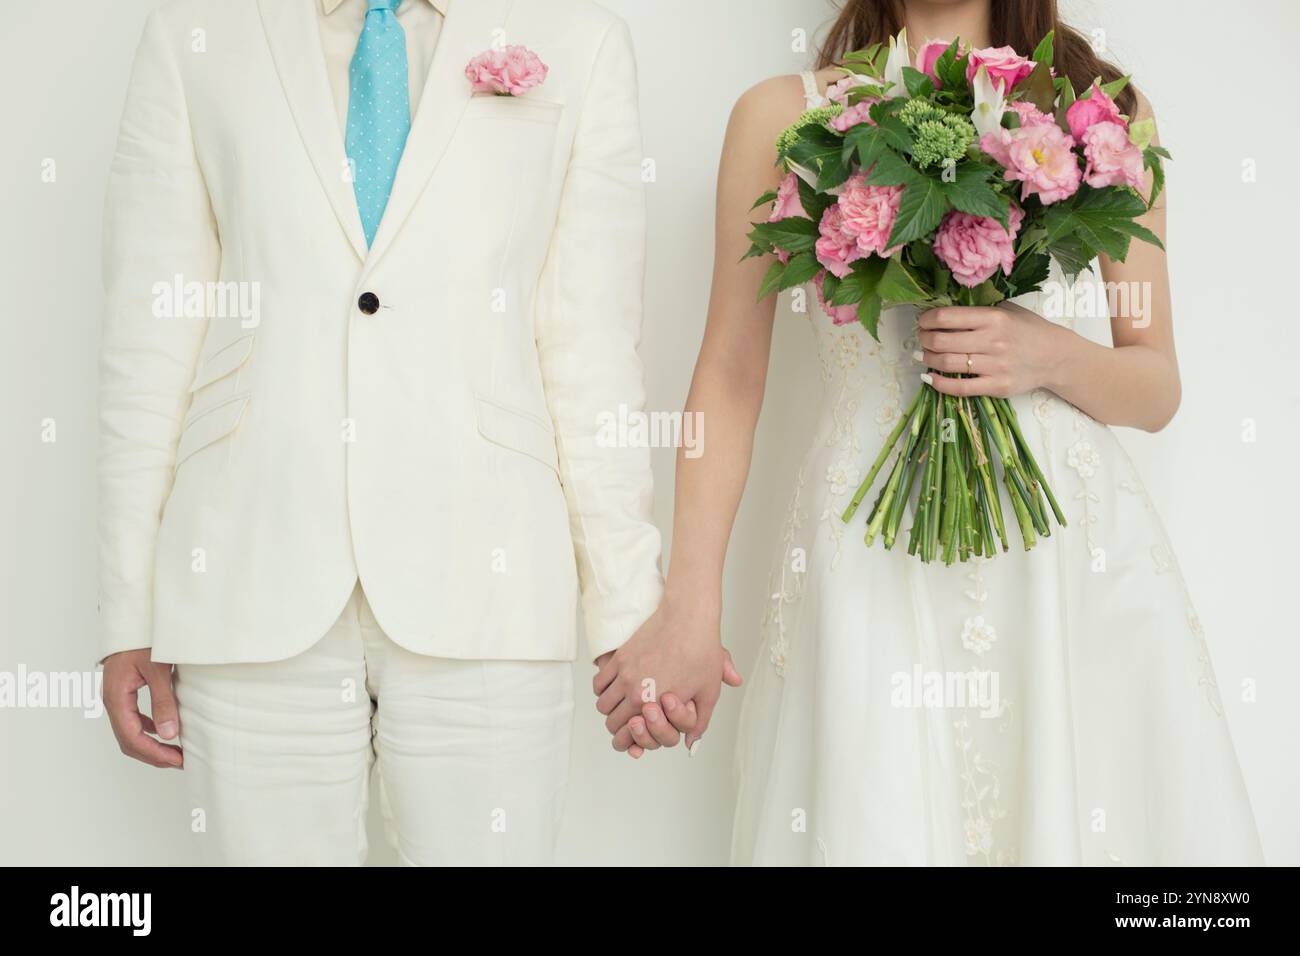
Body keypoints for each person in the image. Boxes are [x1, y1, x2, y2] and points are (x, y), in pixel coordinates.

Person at [595, 0, 1264, 866]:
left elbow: (1155, 382)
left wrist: (1045, 354)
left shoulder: (1101, 111)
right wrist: (689, 604)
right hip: (866, 555)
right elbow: (727, 374)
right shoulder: (782, 115)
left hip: (1061, 564)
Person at [98, 0, 663, 866]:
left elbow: (591, 349)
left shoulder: (576, 36)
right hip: (251, 574)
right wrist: (128, 610)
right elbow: (149, 341)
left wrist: (630, 608)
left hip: (490, 580)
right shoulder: (194, 32)